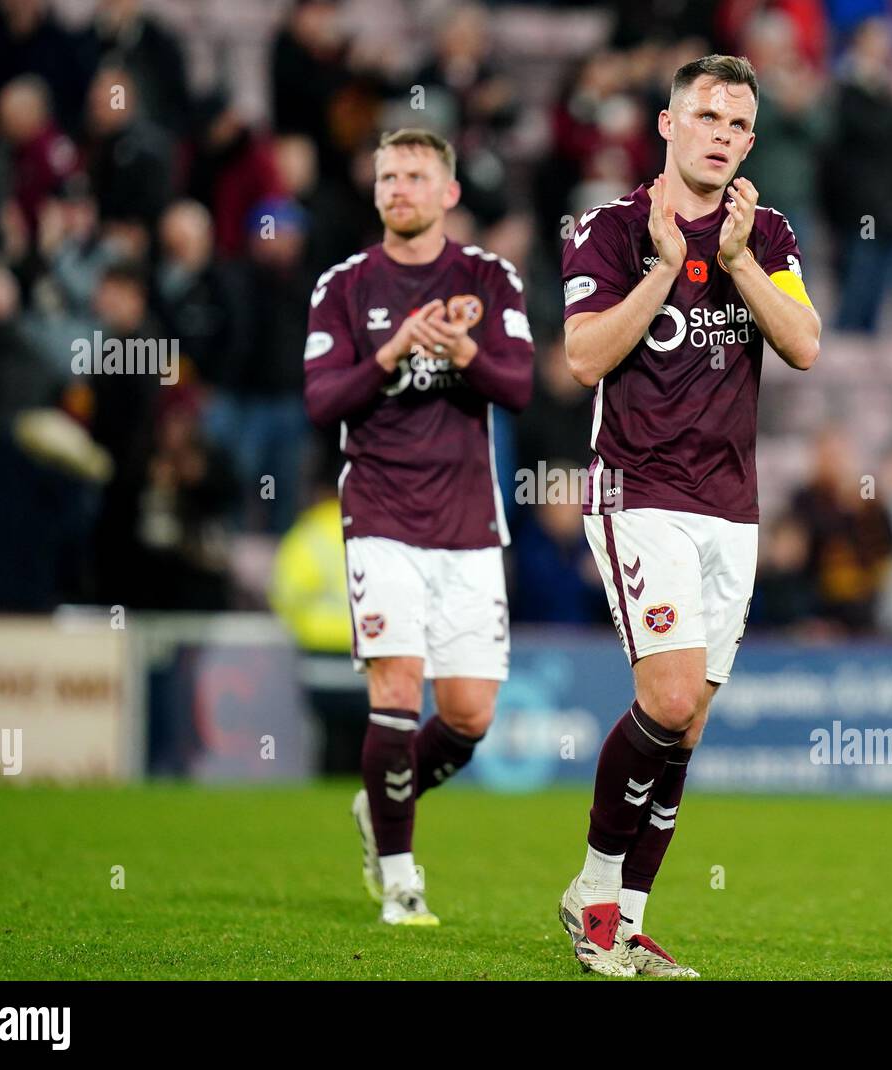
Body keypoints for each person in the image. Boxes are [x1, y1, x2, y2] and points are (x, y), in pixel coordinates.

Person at [557, 55, 820, 977]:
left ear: (750, 140)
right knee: (665, 701)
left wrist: (739, 262)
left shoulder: (768, 233)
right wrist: (664, 274)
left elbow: (803, 345)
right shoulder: (612, 229)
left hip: (730, 506)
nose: (720, 132)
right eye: (704, 114)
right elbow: (585, 357)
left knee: (687, 729)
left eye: (737, 123)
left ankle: (625, 923)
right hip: (638, 491)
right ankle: (592, 891)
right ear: (666, 125)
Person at [303, 128, 534, 925]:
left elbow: (522, 386)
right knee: (396, 689)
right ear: (375, 192)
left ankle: (380, 803)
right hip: (381, 512)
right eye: (387, 176)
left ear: (449, 193)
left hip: (468, 520)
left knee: (469, 714)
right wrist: (392, 353)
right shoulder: (342, 286)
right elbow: (322, 403)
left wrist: (465, 350)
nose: (398, 187)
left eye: (415, 175)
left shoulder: (488, 278)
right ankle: (401, 879)